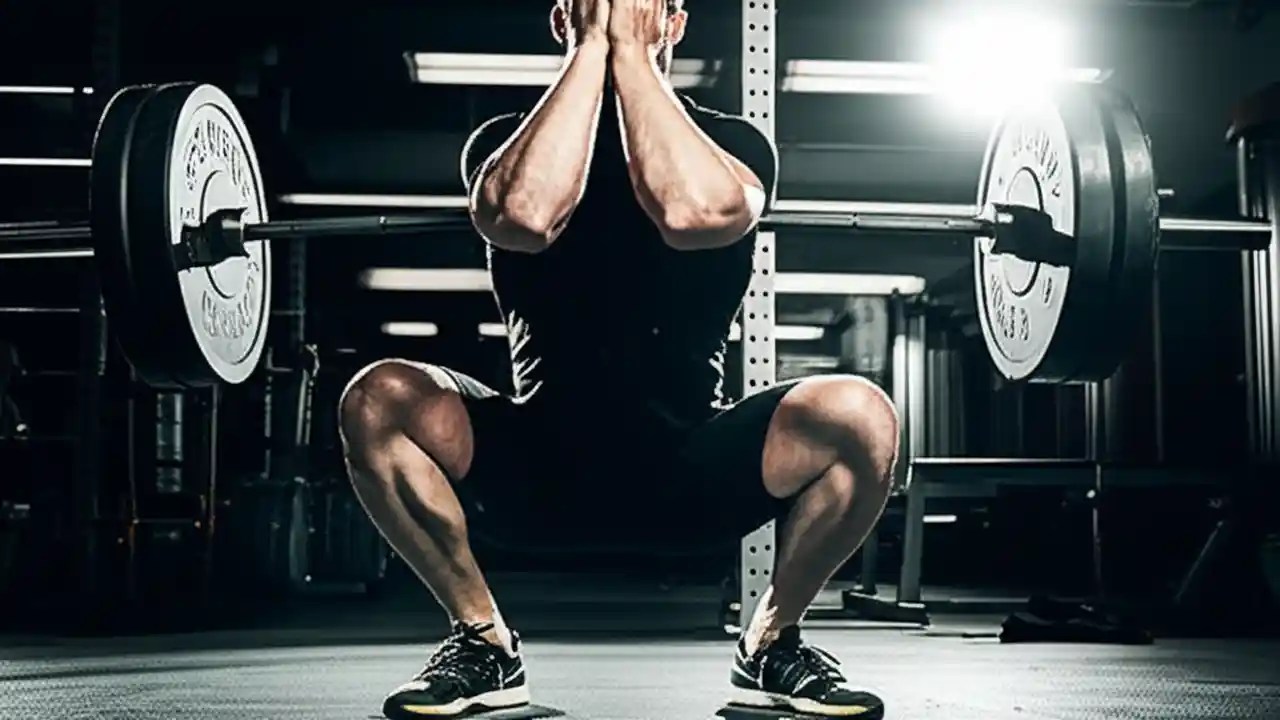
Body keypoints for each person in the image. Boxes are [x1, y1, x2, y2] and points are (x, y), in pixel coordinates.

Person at [339, 0, 900, 717]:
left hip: (691, 474)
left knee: (861, 415)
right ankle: (483, 644)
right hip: (536, 472)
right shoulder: (503, 141)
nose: (618, 12)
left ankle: (771, 643)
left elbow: (693, 214)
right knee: (377, 397)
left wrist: (631, 55)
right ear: (563, 19)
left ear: (674, 22)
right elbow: (524, 218)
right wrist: (591, 53)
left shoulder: (734, 145)